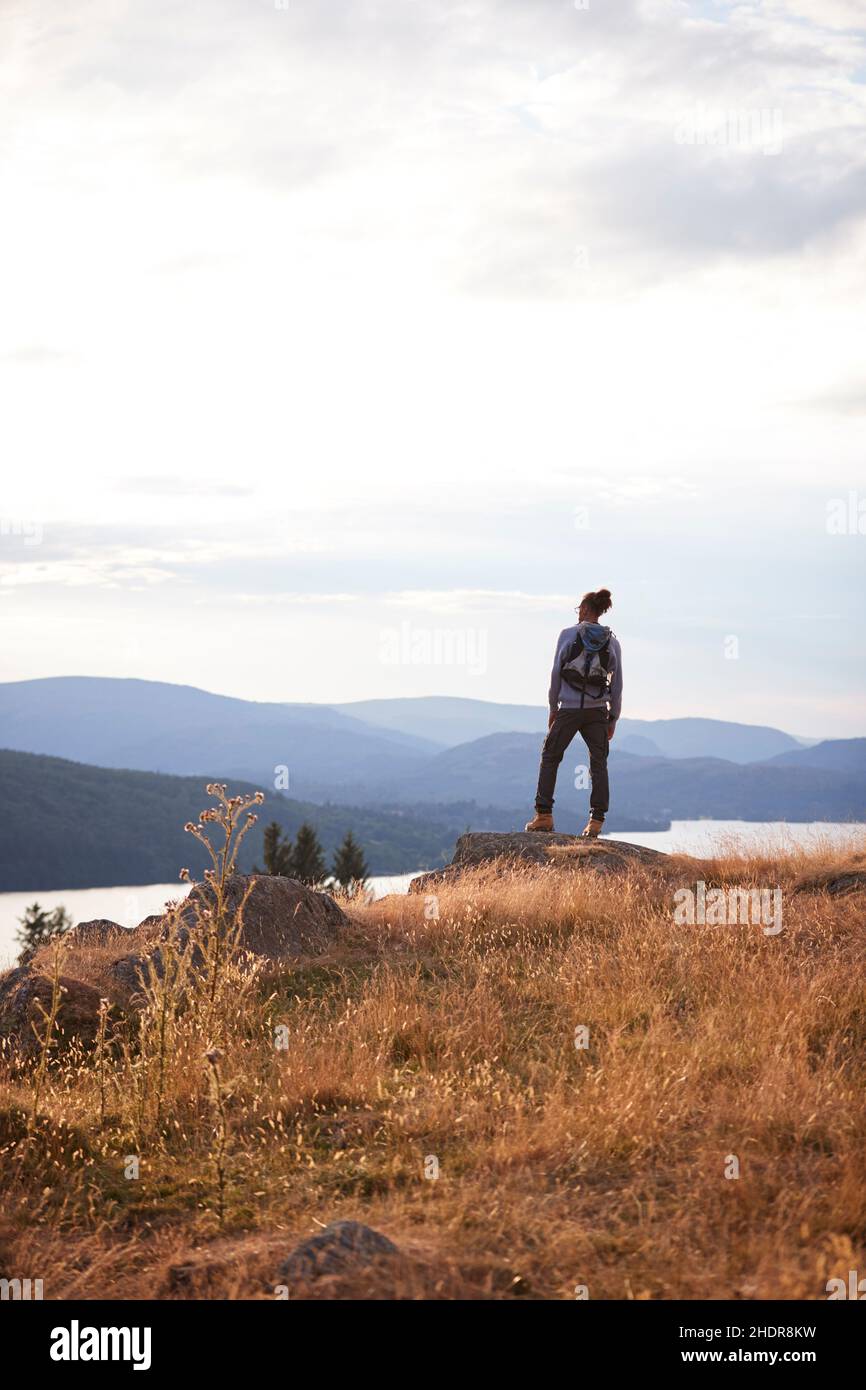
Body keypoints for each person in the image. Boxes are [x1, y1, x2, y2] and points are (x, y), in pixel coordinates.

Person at [525, 587, 622, 838]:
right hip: (598, 711)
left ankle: (543, 815)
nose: (578, 612)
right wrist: (613, 718)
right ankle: (596, 821)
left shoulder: (568, 635)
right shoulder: (613, 642)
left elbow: (556, 673)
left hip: (568, 709)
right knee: (598, 764)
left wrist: (552, 707)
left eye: (580, 608)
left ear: (586, 609)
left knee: (550, 755)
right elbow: (618, 683)